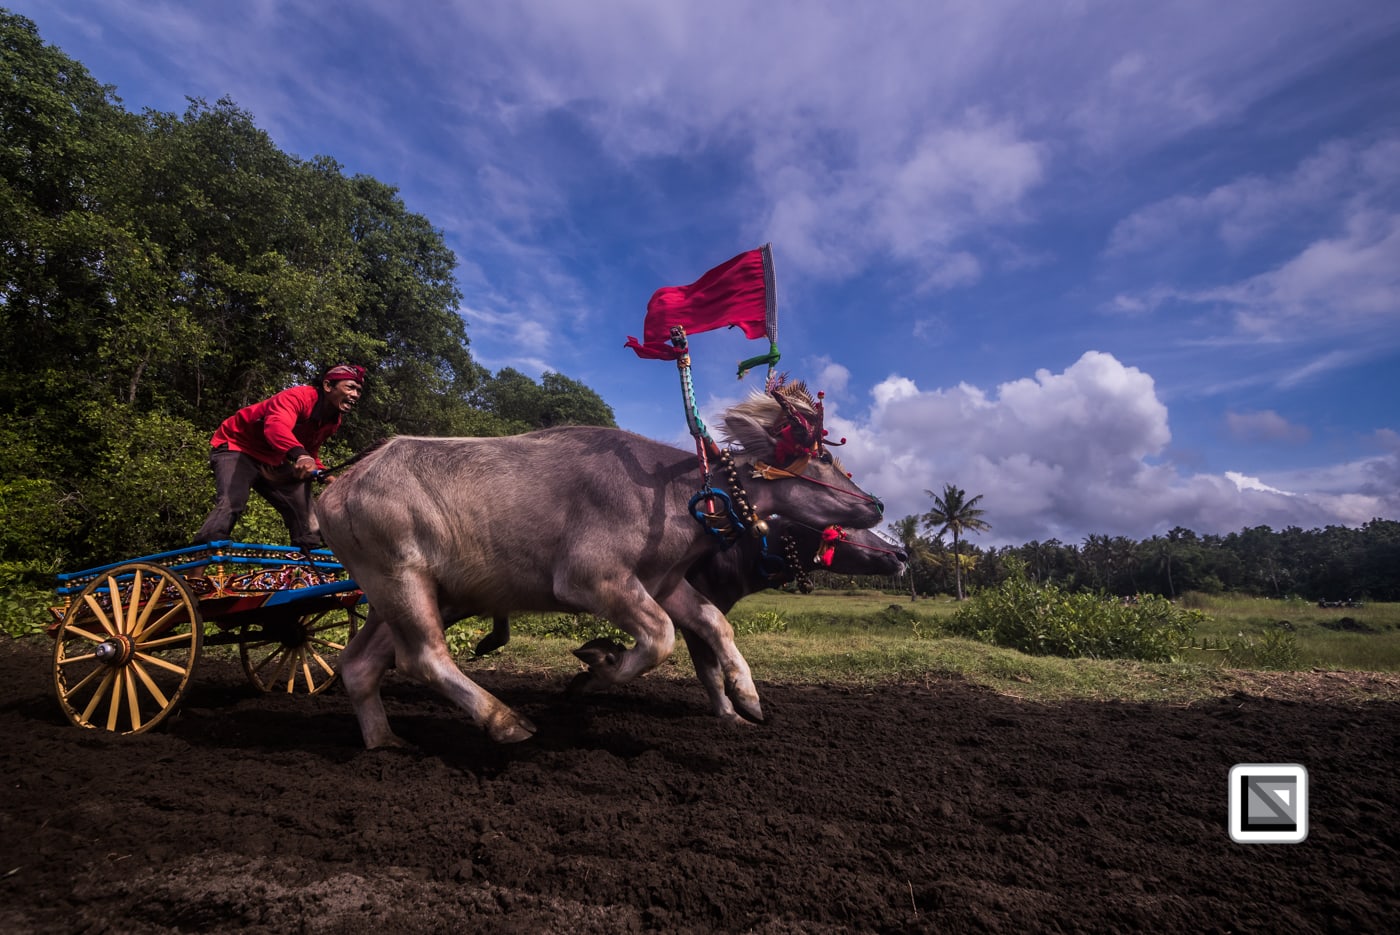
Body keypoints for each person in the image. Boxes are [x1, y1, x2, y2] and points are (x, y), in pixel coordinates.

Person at [193, 364, 365, 553]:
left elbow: (310, 452)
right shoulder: (298, 397)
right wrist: (300, 456)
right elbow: (276, 427)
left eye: (358, 390)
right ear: (327, 386)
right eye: (350, 387)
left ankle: (307, 572)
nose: (355, 395)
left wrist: (328, 478)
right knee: (232, 502)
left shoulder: (333, 421)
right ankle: (196, 573)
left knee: (307, 513)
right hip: (237, 446)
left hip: (273, 458)